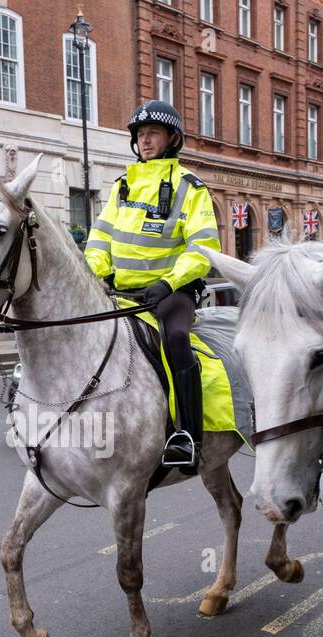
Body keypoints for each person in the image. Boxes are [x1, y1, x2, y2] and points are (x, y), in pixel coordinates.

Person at [84, 100, 222, 474]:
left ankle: (188, 435)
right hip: (123, 291)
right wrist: (91, 272)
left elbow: (204, 249)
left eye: (153, 134)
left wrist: (167, 282)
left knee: (176, 339)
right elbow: (100, 239)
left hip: (171, 293)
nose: (145, 141)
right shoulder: (122, 186)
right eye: (141, 135)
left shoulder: (189, 187)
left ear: (171, 139)